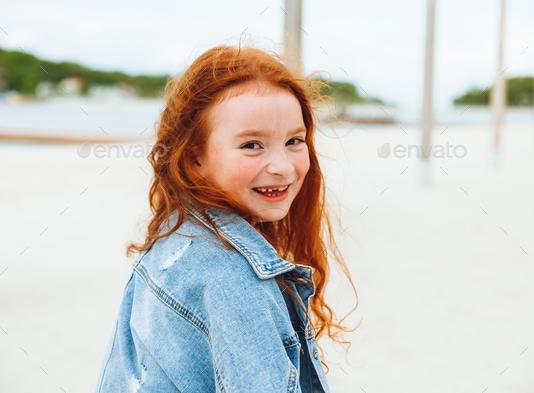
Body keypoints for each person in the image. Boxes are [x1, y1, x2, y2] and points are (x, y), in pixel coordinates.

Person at [94, 44, 354, 393]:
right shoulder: (234, 279)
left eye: (294, 140)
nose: (282, 167)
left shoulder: (176, 237)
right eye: (252, 145)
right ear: (194, 158)